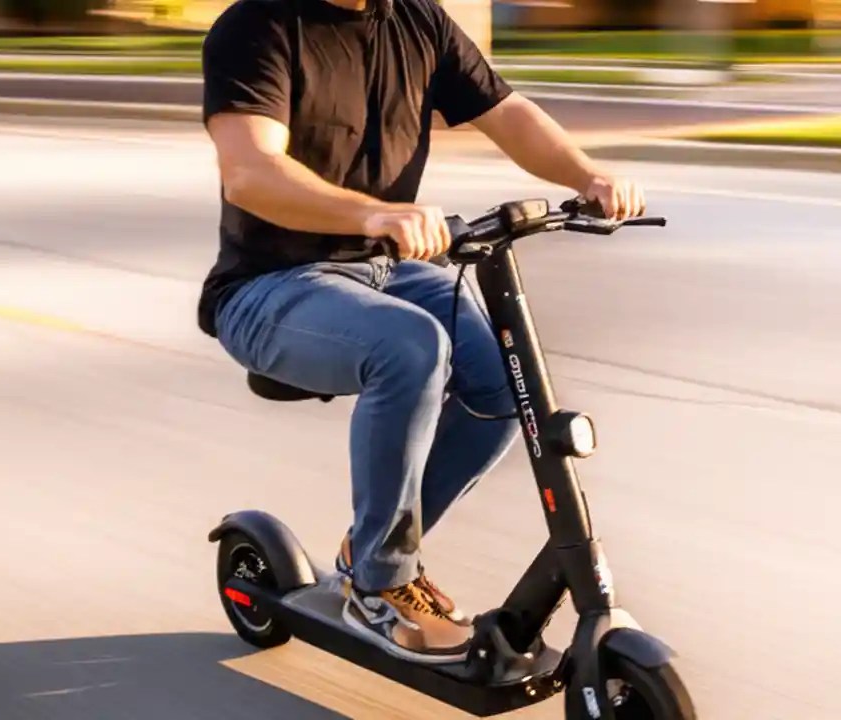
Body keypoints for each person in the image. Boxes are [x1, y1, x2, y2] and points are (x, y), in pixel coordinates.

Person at [198, 0, 645, 665]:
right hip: (270, 287)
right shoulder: (258, 25)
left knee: (503, 375)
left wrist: (587, 173)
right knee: (410, 345)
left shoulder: (417, 21)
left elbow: (508, 113)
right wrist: (374, 212)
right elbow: (250, 172)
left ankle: (371, 553)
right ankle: (381, 582)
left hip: (387, 270)